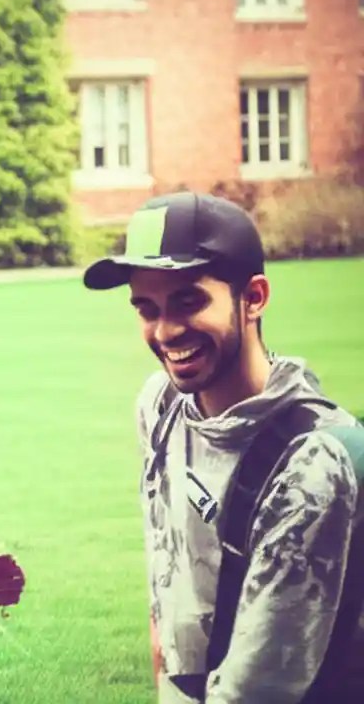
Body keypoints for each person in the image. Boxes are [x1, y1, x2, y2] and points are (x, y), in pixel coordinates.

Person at [83, 191, 364, 703]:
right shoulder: (161, 405)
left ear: (254, 297)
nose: (166, 332)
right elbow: (167, 581)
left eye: (189, 301)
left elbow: (259, 687)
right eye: (147, 308)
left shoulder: (310, 462)